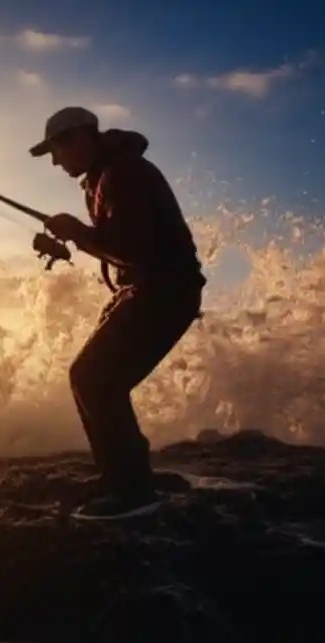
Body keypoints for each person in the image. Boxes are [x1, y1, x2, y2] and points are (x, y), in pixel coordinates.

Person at [29, 106, 205, 517]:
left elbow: (133, 248)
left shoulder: (123, 175)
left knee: (93, 379)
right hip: (150, 290)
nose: (55, 161)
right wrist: (81, 236)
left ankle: (131, 490)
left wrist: (77, 233)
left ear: (81, 138)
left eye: (57, 149)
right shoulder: (107, 175)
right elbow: (121, 243)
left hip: (163, 292)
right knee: (94, 378)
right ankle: (124, 475)